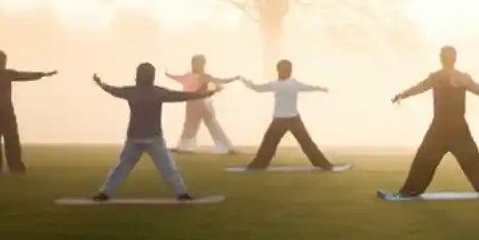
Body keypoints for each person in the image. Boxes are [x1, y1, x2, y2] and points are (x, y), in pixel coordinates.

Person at [391, 46, 479, 197]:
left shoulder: (438, 77)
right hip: (455, 126)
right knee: (471, 159)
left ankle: (411, 190)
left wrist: (402, 95)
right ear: (454, 59)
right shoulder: (459, 77)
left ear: (443, 58)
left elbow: (419, 88)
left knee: (425, 158)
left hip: (442, 126)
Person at [92, 64, 210, 200]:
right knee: (167, 169)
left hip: (139, 137)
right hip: (150, 137)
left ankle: (105, 193)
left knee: (123, 168)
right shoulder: (156, 92)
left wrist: (100, 83)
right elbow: (180, 96)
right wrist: (201, 94)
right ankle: (182, 193)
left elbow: (112, 90)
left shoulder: (133, 92)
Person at [0, 50, 57, 173]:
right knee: (9, 138)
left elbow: (24, 75)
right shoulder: (5, 74)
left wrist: (42, 74)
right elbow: (24, 76)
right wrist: (42, 74)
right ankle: (13, 165)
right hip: (4, 110)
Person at [239, 60, 334, 171]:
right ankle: (324, 164)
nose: (287, 72)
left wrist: (247, 82)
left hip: (289, 119)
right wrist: (321, 88)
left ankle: (324, 164)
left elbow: (257, 88)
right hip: (284, 119)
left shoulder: (285, 84)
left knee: (302, 143)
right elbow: (258, 88)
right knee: (273, 143)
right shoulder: (285, 84)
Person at [166, 54, 240, 154]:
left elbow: (218, 81)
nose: (199, 66)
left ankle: (227, 148)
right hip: (192, 104)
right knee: (190, 126)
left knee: (211, 125)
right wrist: (167, 74)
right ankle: (184, 147)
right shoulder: (189, 75)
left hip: (202, 104)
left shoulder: (204, 76)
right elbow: (177, 78)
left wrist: (233, 79)